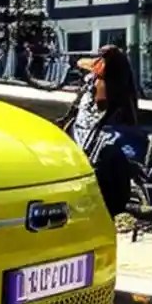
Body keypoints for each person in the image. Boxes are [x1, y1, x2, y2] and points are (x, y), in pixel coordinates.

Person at [58, 44, 144, 216]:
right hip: (110, 135)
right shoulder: (123, 79)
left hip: (93, 134)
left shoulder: (104, 84)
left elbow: (99, 105)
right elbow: (85, 63)